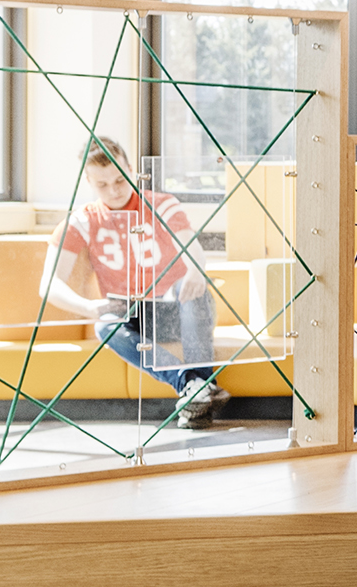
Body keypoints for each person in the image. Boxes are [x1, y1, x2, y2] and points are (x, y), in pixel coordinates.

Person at [42, 136, 223, 436]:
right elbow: (48, 284)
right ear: (88, 181)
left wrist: (195, 270)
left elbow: (189, 244)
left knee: (191, 291)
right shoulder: (82, 220)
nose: (114, 190)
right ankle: (193, 387)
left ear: (130, 168)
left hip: (176, 307)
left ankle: (195, 391)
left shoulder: (161, 204)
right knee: (105, 327)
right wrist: (88, 307)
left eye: (120, 179)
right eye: (102, 185)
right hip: (133, 314)